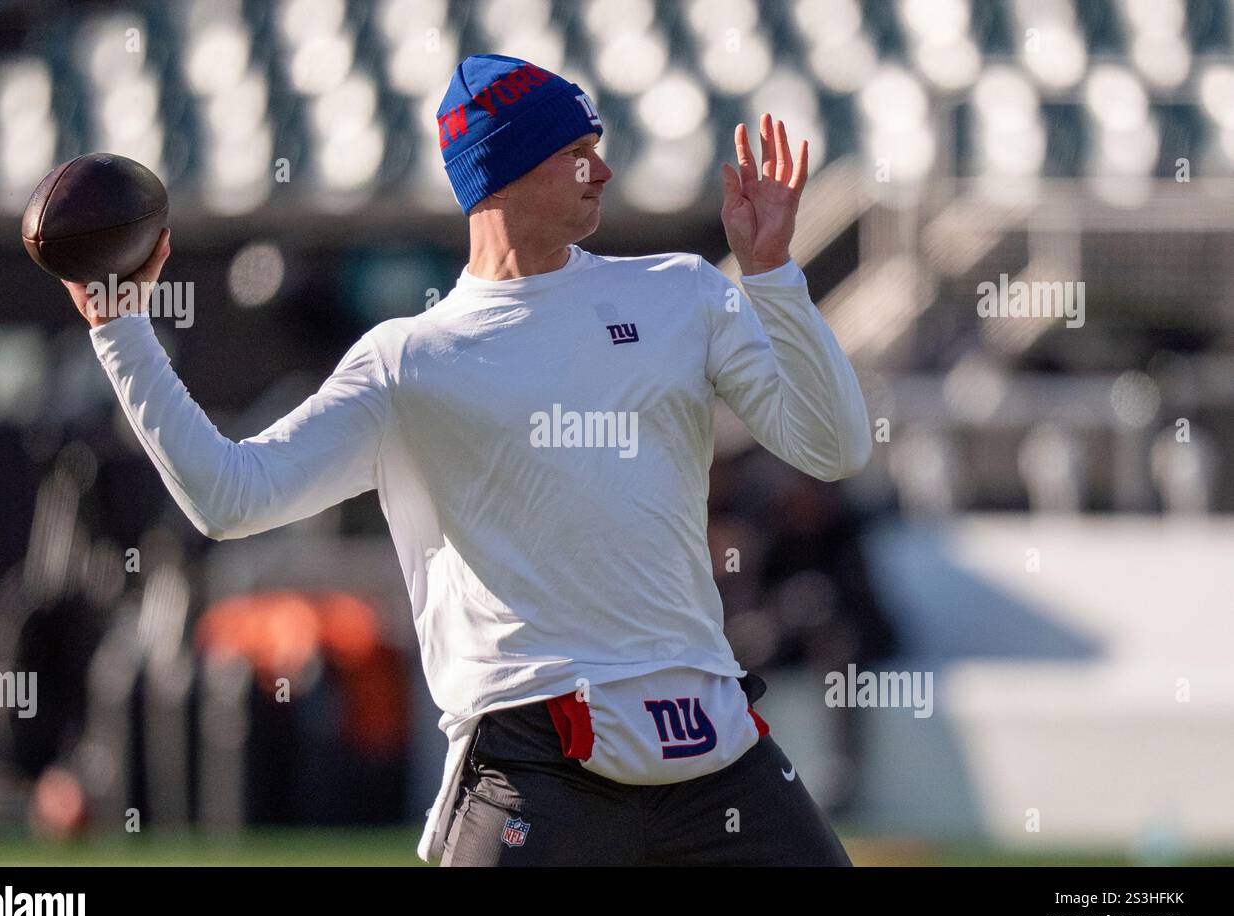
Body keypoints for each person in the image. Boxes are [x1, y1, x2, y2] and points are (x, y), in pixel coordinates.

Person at [65, 54, 872, 866]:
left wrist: (773, 275)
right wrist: (122, 331)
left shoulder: (681, 292)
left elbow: (834, 447)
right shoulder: (410, 360)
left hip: (713, 744)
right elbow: (228, 496)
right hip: (535, 761)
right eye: (577, 153)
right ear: (508, 170)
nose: (606, 169)